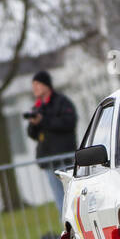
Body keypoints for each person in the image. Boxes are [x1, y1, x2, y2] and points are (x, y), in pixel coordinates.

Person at [25, 69, 77, 219]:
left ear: (46, 85)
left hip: (65, 159)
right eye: (33, 85)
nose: (34, 88)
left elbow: (69, 123)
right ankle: (67, 229)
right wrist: (34, 124)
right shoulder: (37, 107)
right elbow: (32, 134)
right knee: (60, 200)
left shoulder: (62, 102)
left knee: (72, 196)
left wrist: (44, 121)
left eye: (37, 84)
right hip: (49, 161)